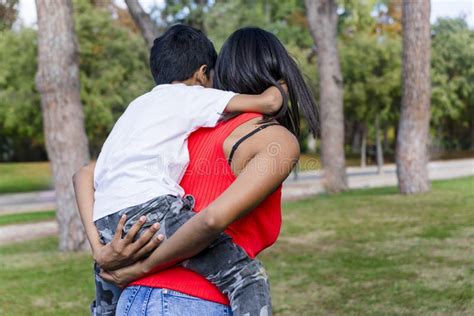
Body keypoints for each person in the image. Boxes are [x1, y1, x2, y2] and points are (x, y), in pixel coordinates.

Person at [73, 27, 318, 316]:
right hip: (191, 302)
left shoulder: (185, 130)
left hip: (132, 299)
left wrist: (100, 251)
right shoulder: (275, 141)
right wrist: (143, 266)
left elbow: (86, 173)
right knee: (248, 278)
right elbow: (210, 220)